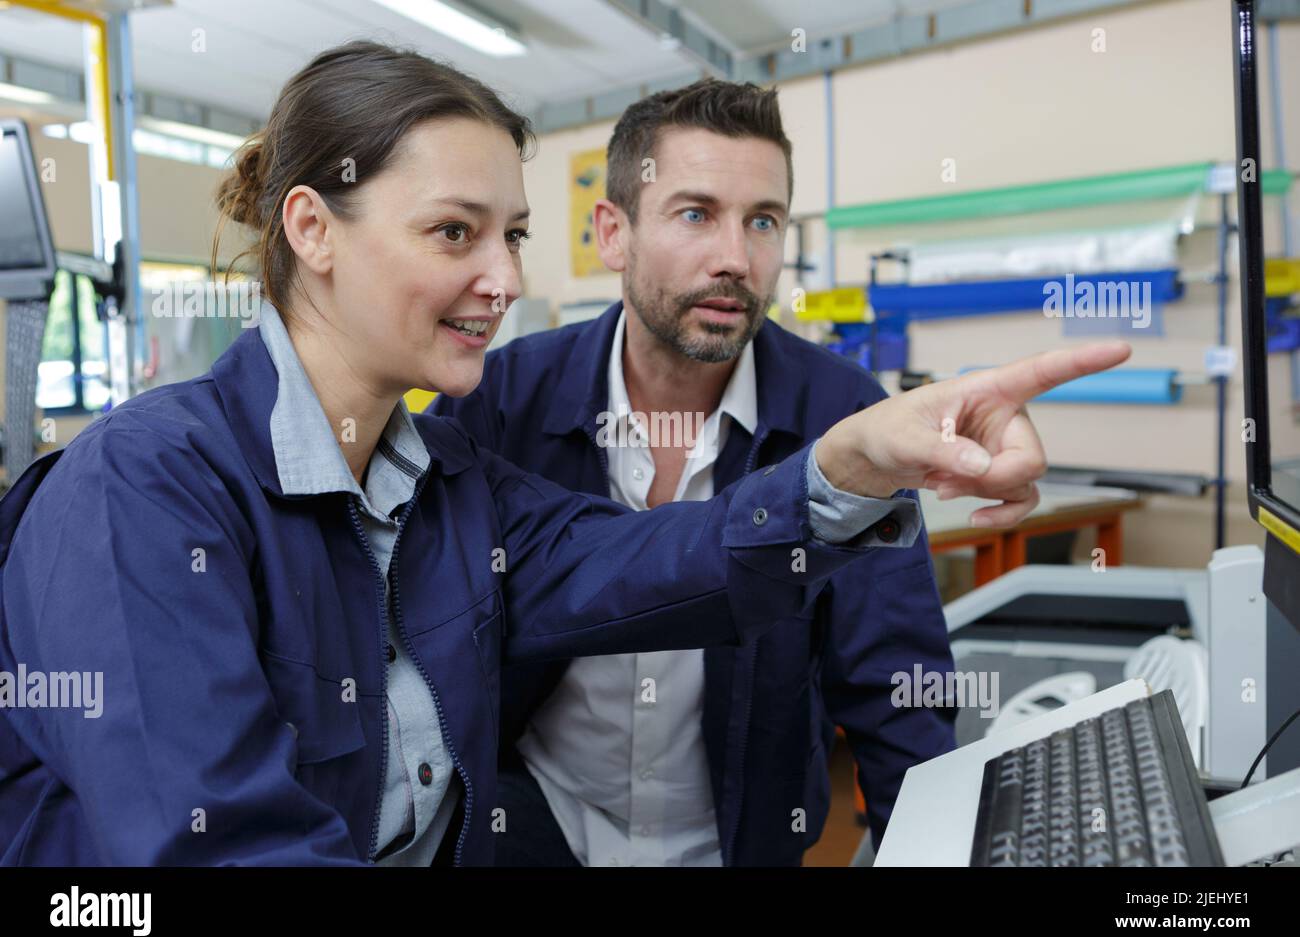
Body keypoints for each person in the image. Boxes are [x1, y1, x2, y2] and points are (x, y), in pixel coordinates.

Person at [0, 42, 1127, 867]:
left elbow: (662, 560)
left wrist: (853, 460)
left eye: (512, 235)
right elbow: (215, 848)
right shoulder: (146, 486)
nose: (502, 280)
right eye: (455, 232)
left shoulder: (449, 486)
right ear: (311, 229)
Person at [433, 79, 952, 865]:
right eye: (696, 214)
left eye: (764, 222)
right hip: (537, 828)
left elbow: (895, 682)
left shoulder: (842, 412)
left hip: (743, 839)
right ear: (613, 232)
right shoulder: (499, 401)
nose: (736, 260)